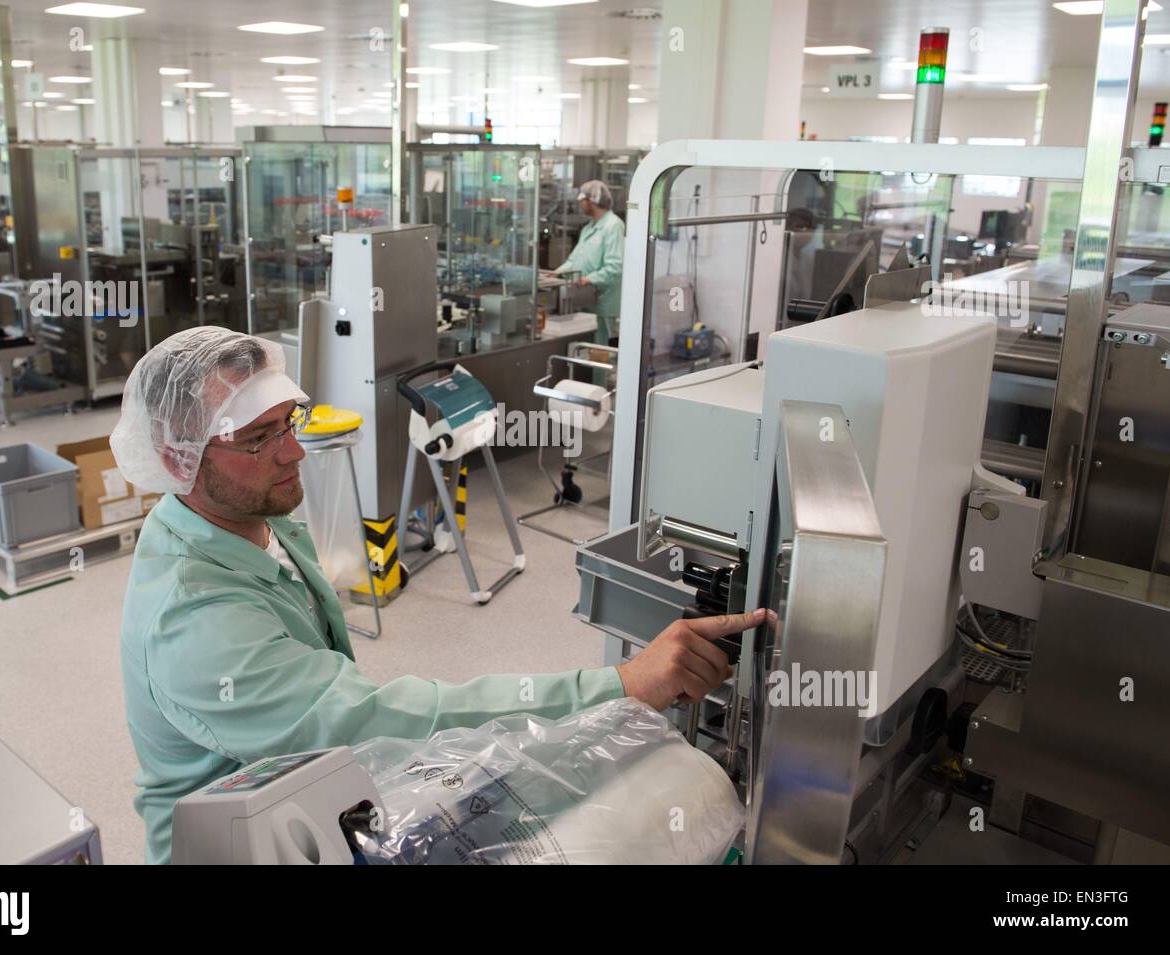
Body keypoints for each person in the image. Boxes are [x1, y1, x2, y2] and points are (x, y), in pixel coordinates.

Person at [111, 326, 761, 864]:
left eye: (290, 422)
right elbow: (365, 720)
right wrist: (616, 685)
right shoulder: (193, 618)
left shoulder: (257, 514)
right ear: (178, 459)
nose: (293, 452)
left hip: (304, 800)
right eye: (259, 437)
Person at [552, 179, 625, 348]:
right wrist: (555, 274)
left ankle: (599, 376)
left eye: (582, 201)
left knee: (598, 353)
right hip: (583, 300)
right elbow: (574, 260)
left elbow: (615, 266)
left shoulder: (613, 226)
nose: (580, 205)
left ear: (592, 200)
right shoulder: (588, 228)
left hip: (602, 302)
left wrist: (589, 279)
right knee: (583, 354)